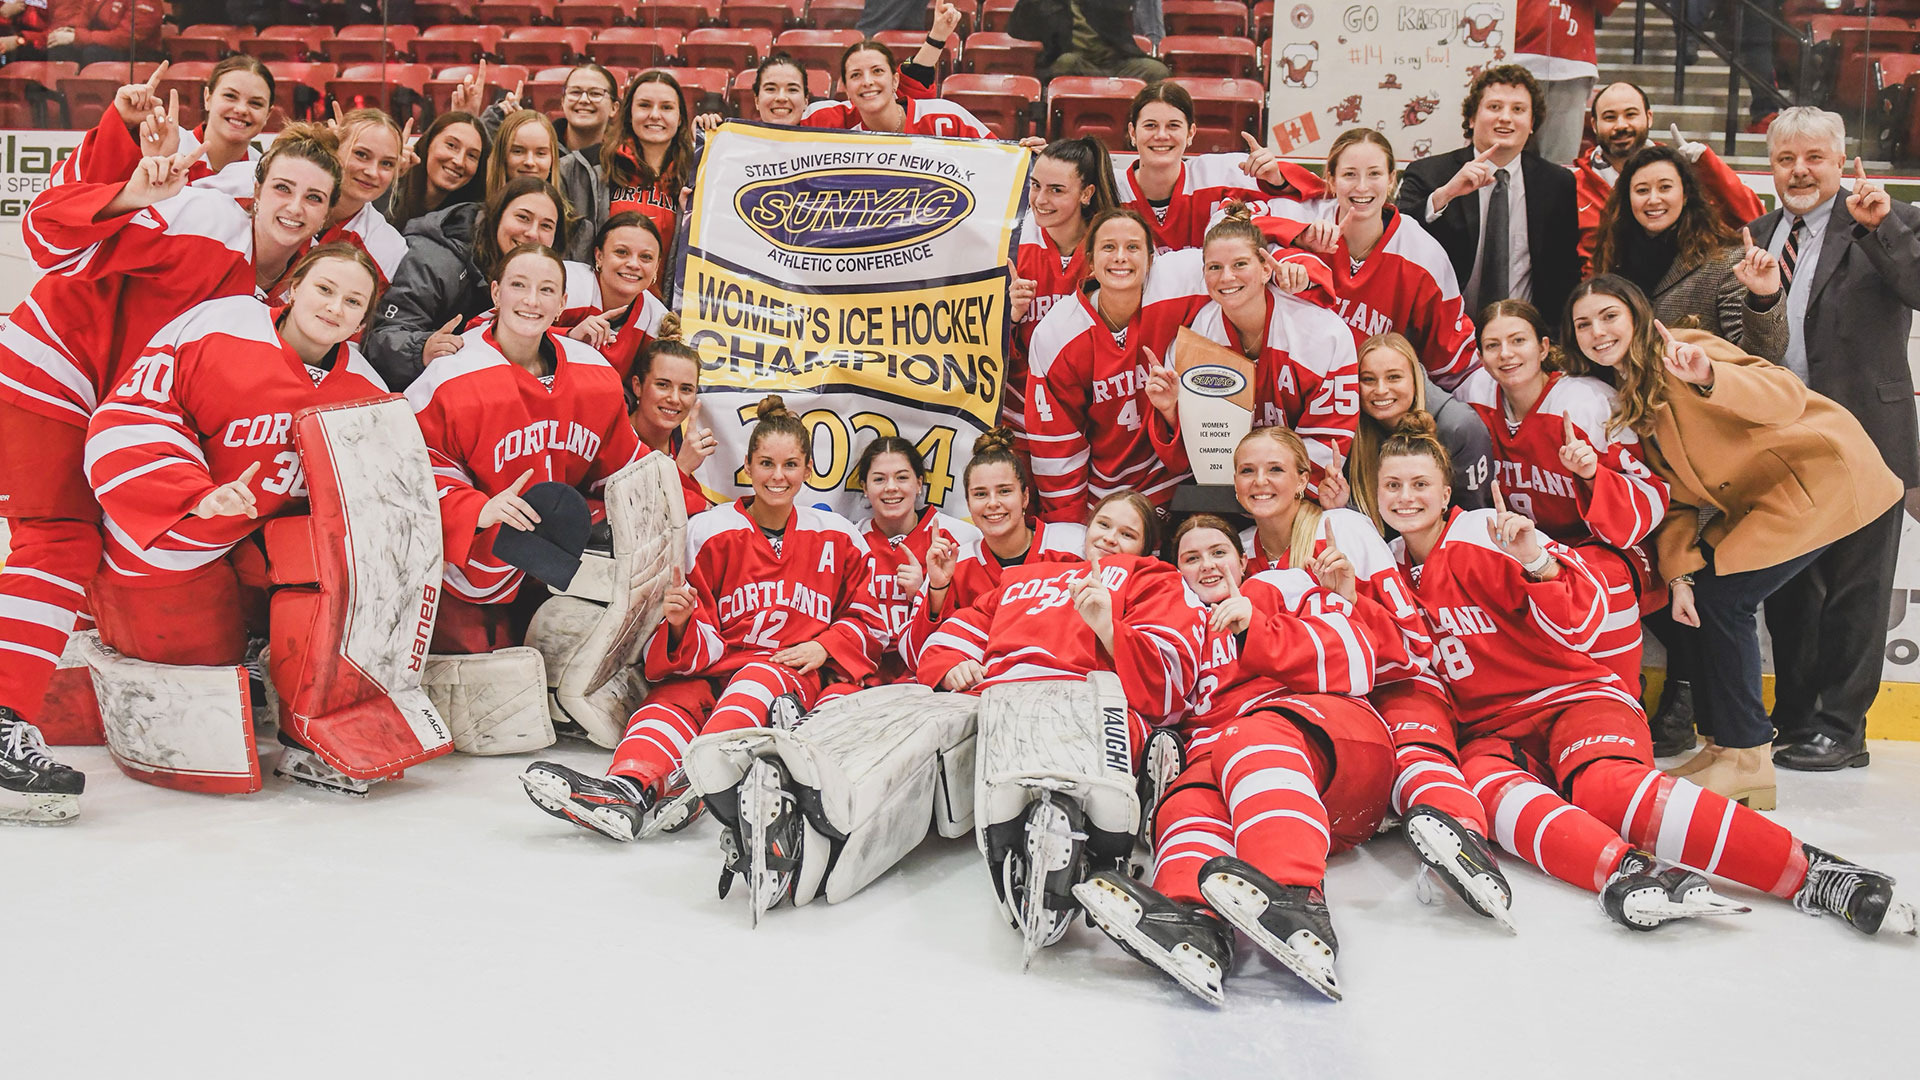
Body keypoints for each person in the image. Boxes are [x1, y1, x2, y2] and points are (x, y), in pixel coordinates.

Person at [1380, 422, 1915, 939]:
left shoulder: (1483, 534)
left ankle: (1814, 874)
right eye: (1393, 486)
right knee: (1486, 797)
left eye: (1420, 484)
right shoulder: (1387, 568)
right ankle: (1632, 871)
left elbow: (1584, 618)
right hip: (1494, 731)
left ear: (1447, 490)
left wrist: (1538, 562)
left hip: (1576, 699)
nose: (1407, 497)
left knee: (1605, 788)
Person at [0, 131, 343, 821]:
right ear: (257, 187)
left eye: (314, 197)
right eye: (283, 188)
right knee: (59, 539)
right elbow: (46, 235)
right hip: (55, 370)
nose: (295, 206)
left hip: (110, 405)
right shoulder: (205, 220)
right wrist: (131, 194)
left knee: (95, 549)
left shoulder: (297, 283)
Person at [1560, 275, 1900, 809]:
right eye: (1584, 323)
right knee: (1700, 600)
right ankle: (1723, 744)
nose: (1598, 331)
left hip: (1826, 479)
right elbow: (1672, 499)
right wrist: (1677, 575)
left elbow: (1785, 395)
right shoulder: (1628, 395)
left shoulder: (1685, 351)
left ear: (1637, 316)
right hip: (1771, 502)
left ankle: (1748, 757)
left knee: (1727, 600)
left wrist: (1711, 376)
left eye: (1609, 316)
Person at [81, 245, 396, 795]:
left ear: (364, 320)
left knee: (344, 565)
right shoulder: (219, 330)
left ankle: (299, 709)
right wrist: (193, 494)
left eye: (352, 301)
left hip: (261, 551)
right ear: (293, 287)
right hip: (173, 540)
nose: (334, 307)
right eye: (324, 289)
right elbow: (126, 419)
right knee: (205, 724)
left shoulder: (367, 395)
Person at [521, 396, 888, 841]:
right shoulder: (709, 531)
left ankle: (698, 776)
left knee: (758, 677)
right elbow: (699, 628)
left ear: (807, 470)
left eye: (790, 465)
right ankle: (628, 789)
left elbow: (871, 617)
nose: (778, 476)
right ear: (748, 468)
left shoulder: (839, 536)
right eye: (766, 463)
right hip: (715, 665)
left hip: (791, 673)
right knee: (668, 702)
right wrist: (680, 623)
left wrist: (825, 645)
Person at [1076, 514, 1405, 1002]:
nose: (1206, 565)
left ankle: (1295, 897)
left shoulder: (1285, 586)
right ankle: (1192, 923)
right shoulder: (1181, 624)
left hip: (1328, 742)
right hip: (1230, 758)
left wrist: (1258, 629)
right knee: (1185, 800)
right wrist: (1109, 630)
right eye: (1190, 558)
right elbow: (1161, 699)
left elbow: (1358, 657)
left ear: (1243, 559)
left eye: (1217, 552)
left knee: (1250, 738)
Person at [1750, 108, 1920, 773]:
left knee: (1856, 589)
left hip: (1867, 439)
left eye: (1815, 157)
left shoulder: (1884, 219)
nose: (1799, 170)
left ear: (1840, 161)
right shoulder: (1759, 233)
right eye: (1787, 157)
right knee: (1791, 589)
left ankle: (1842, 727)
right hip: (1786, 441)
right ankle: (1794, 715)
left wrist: (1881, 230)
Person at [403, 243, 645, 642]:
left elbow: (623, 467)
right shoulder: (449, 377)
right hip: (467, 576)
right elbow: (412, 477)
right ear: (496, 293)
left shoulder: (593, 371)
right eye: (519, 285)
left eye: (547, 290)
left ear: (563, 302)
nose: (532, 301)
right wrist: (478, 509)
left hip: (559, 572)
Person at [1454, 299, 1668, 689]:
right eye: (1492, 345)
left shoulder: (1587, 402)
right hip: (1518, 541)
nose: (1506, 354)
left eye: (1518, 340)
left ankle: (1615, 697)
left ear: (1543, 346)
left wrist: (1591, 477)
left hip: (1597, 545)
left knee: (1600, 582)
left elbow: (1650, 494)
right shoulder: (1476, 393)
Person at [1145, 207, 1358, 498]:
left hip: (1300, 495)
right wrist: (1170, 408)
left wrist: (1277, 492)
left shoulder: (1322, 334)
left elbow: (1327, 443)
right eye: (1214, 267)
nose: (1226, 277)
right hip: (1226, 491)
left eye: (1240, 264)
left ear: (1266, 269)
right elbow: (1193, 456)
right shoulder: (1197, 337)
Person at [1253, 129, 1479, 392]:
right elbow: (1228, 221)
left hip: (1379, 393)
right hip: (1299, 384)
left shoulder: (1422, 251)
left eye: (1374, 174)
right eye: (1349, 174)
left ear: (1392, 180)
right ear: (1332, 179)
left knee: (1461, 424)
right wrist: (1300, 237)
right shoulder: (1304, 216)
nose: (1362, 187)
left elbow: (1453, 361)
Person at [1025, 209, 1208, 521]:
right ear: (1092, 262)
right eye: (1109, 247)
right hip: (1105, 496)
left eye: (1133, 247)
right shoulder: (1057, 334)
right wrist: (1069, 525)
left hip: (1177, 481)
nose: (1121, 257)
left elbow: (1239, 249)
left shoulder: (1180, 282)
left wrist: (1290, 269)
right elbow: (1057, 445)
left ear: (1152, 259)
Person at [1395, 65, 1580, 323]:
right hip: (1444, 332)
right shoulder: (1429, 173)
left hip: (1527, 336)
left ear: (1532, 124)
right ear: (1472, 118)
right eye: (1494, 107)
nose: (1505, 117)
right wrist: (1445, 195)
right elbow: (1396, 237)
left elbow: (1565, 273)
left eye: (1518, 110)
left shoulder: (1557, 184)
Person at [896, 428, 1088, 672]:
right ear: (968, 503)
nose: (993, 503)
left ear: (1025, 497)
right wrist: (937, 589)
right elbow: (914, 658)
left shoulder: (1074, 547)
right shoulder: (954, 564)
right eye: (980, 494)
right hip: (984, 692)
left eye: (1005, 491)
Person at [366, 175, 568, 388]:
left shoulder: (548, 273)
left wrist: (570, 336)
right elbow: (380, 341)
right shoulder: (436, 261)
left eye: (546, 226)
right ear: (498, 215)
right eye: (523, 217)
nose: (532, 233)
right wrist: (422, 350)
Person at [1590, 145, 1786, 363]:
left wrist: (1763, 299)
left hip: (1701, 395)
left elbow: (1760, 357)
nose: (1653, 199)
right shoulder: (1612, 256)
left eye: (1665, 187)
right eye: (1642, 190)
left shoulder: (1726, 261)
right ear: (1628, 198)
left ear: (1685, 195)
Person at [1115, 83, 1324, 253]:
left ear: (1191, 133)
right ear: (1133, 132)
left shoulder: (1218, 174)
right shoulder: (1111, 188)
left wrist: (1278, 179)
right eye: (1150, 125)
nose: (1161, 135)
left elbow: (1317, 190)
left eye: (1173, 126)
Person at [1577, 82, 1763, 269]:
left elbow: (1755, 223)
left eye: (1631, 114)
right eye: (1610, 117)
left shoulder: (1682, 174)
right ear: (1594, 124)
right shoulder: (1574, 186)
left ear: (1649, 118)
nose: (1621, 125)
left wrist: (1708, 168)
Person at [1008, 137, 1120, 443]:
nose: (1041, 199)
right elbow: (979, 350)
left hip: (1097, 415)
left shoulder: (1115, 246)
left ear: (1086, 194)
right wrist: (1011, 317)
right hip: (1021, 419)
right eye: (1035, 185)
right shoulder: (1011, 243)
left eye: (1056, 190)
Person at [851, 436, 982, 682]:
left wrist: (925, 592)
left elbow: (973, 618)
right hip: (865, 674)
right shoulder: (850, 539)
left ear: (919, 483)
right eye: (879, 479)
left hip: (929, 674)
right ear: (864, 487)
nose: (891, 487)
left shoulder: (958, 536)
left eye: (902, 477)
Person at [1329, 333, 1492, 527]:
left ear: (1416, 378)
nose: (1381, 390)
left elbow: (1474, 516)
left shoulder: (1460, 426)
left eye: (1394, 377)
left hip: (1452, 548)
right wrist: (1341, 508)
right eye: (1368, 379)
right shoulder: (1353, 431)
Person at [802, 37, 993, 138]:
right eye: (856, 75)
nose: (867, 81)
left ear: (895, 81)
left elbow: (1005, 161)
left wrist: (1023, 149)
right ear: (846, 89)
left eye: (877, 71)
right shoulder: (831, 130)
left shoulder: (948, 119)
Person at [560, 211, 670, 384]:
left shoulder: (658, 320)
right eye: (621, 252)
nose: (633, 264)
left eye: (646, 257)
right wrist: (568, 335)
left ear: (656, 267)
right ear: (599, 256)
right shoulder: (565, 284)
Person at [1511, 0, 1618, 165]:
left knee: (1559, 167)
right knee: (1501, 160)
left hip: (1570, 65)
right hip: (1508, 57)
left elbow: (1609, 4)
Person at [625, 333, 715, 516]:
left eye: (686, 389)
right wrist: (681, 468)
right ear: (638, 386)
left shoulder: (690, 443)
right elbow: (634, 514)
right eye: (663, 385)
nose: (674, 399)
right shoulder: (614, 439)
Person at [319, 107, 409, 284]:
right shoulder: (286, 199)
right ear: (334, 148)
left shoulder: (389, 247)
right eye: (361, 154)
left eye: (387, 163)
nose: (372, 172)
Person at [1010, 0, 1169, 82]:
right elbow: (1016, 29)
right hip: (1079, 63)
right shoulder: (1052, 5)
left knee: (1158, 71)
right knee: (1064, 62)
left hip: (1116, 63)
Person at [382, 110, 486, 232]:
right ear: (428, 143)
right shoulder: (388, 190)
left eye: (472, 156)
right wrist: (387, 174)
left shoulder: (470, 220)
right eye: (451, 145)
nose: (459, 161)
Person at [484, 109, 563, 201]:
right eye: (518, 151)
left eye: (540, 153)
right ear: (502, 155)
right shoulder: (474, 214)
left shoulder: (566, 215)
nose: (530, 162)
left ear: (552, 159)